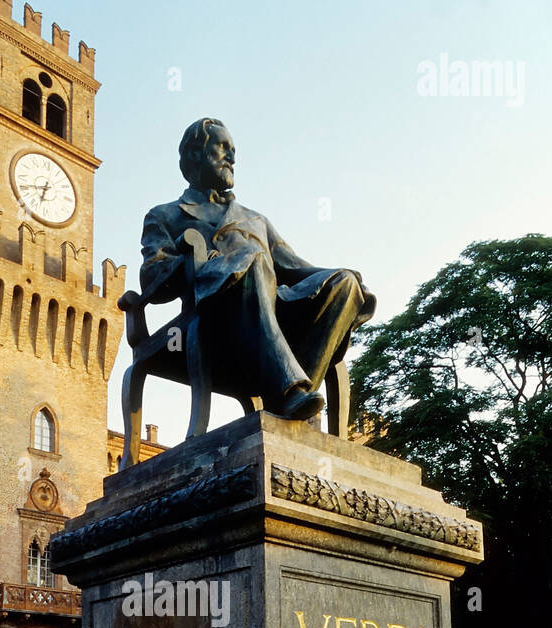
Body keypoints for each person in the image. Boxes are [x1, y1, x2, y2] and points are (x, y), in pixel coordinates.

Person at [138, 118, 376, 419]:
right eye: (222, 147)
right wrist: (197, 259)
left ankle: (292, 392)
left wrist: (344, 278)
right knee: (252, 258)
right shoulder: (165, 214)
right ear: (195, 153)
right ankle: (289, 391)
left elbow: (295, 266)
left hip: (273, 311)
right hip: (215, 315)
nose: (232, 157)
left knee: (345, 282)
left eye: (234, 150)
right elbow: (152, 276)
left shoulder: (255, 219)